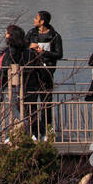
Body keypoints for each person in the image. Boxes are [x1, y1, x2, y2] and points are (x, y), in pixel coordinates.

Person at [0, 25, 30, 141]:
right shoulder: (12, 49)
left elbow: (3, 68)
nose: (5, 35)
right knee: (9, 109)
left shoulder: (12, 50)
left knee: (2, 109)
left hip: (5, 84)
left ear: (12, 36)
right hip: (3, 84)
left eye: (7, 33)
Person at [25, 10, 63, 138]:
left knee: (47, 104)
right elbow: (23, 46)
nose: (34, 20)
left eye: (36, 18)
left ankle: (49, 133)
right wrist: (30, 46)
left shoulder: (55, 36)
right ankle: (33, 133)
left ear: (42, 22)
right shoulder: (31, 33)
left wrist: (44, 53)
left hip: (47, 73)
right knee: (31, 105)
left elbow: (59, 54)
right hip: (32, 73)